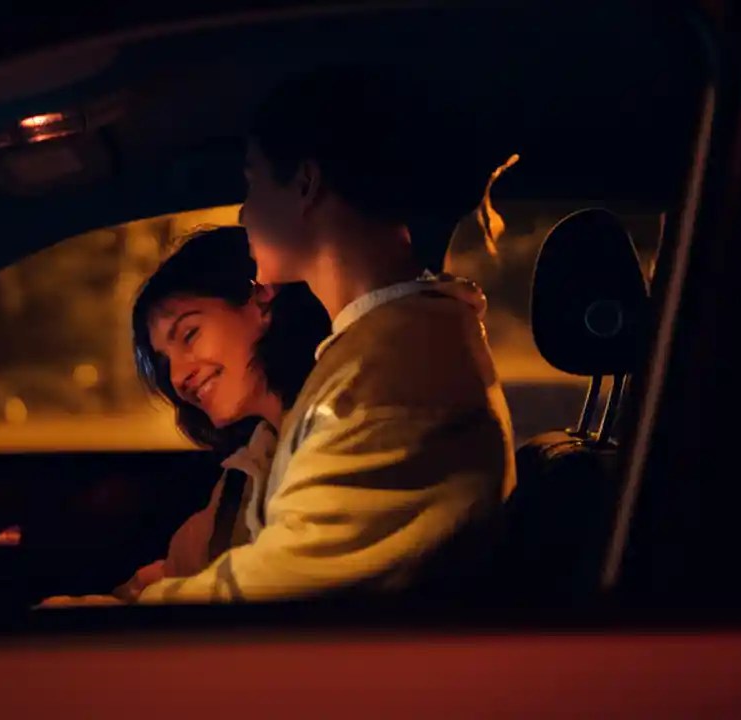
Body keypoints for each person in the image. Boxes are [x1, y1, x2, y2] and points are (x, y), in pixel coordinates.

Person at [137, 66, 517, 604]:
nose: (244, 212)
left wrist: (90, 624)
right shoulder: (373, 350)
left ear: (305, 185)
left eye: (253, 183)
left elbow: (281, 587)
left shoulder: (397, 373)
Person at [40, 225, 329, 607]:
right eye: (165, 361)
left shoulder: (329, 432)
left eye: (189, 335)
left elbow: (288, 575)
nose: (178, 377)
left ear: (260, 298)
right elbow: (187, 563)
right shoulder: (252, 463)